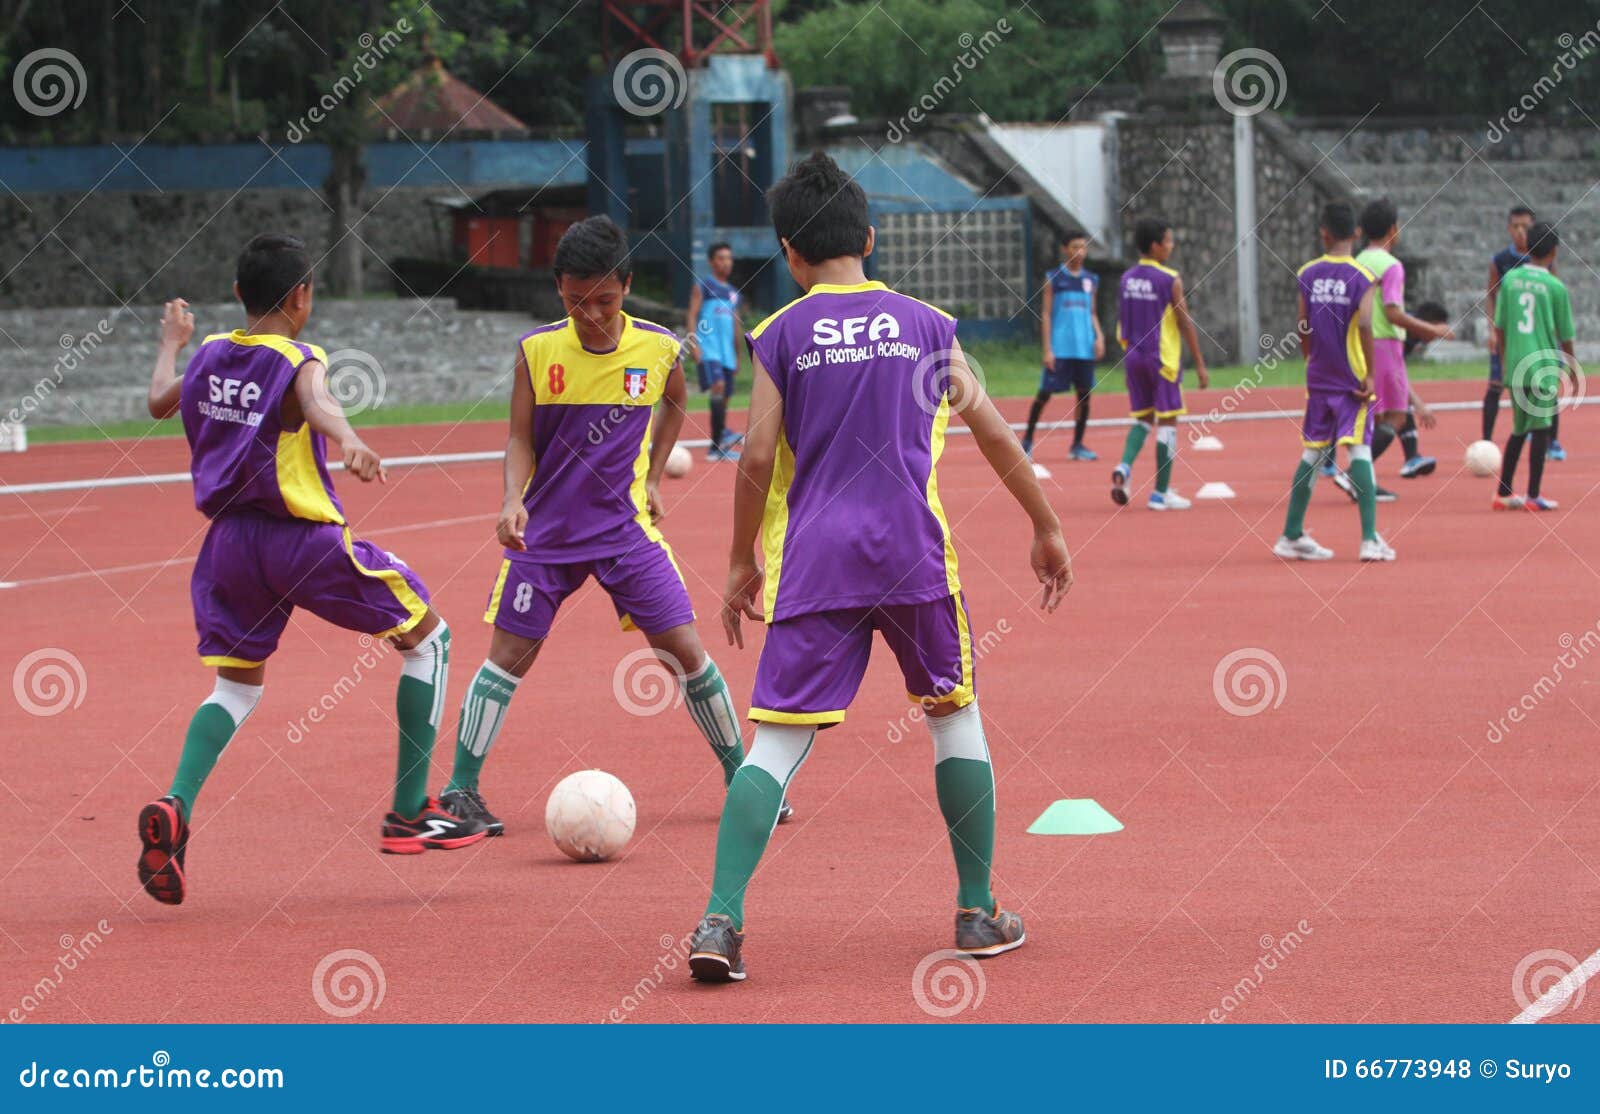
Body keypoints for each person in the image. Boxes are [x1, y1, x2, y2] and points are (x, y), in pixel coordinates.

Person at [682, 152, 1073, 983]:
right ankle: (975, 910)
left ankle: (720, 920)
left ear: (789, 253)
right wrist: (1044, 525)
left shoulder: (781, 332)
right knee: (952, 716)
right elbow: (997, 431)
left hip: (815, 561)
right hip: (913, 556)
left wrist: (739, 560)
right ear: (868, 235)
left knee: (775, 744)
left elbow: (755, 452)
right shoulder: (927, 325)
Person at [137, 234, 486, 905]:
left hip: (228, 549)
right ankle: (410, 812)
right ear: (302, 296)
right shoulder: (300, 356)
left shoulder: (209, 353)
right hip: (299, 542)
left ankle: (176, 806)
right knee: (429, 639)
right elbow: (317, 398)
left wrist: (170, 342)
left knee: (235, 691)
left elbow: (158, 401)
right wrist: (348, 438)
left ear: (240, 294)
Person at [438, 216, 788, 835]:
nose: (591, 314)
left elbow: (676, 401)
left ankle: (742, 776)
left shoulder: (657, 348)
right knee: (510, 655)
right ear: (558, 291)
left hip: (625, 531)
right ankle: (461, 792)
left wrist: (652, 476)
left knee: (684, 650)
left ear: (626, 287)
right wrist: (509, 500)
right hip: (544, 534)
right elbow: (519, 437)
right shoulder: (538, 352)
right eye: (576, 301)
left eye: (603, 300)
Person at [1273, 202, 1392, 563]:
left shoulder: (1307, 274)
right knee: (1359, 449)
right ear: (1356, 234)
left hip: (1318, 376)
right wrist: (1371, 374)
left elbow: (1302, 324)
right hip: (1350, 377)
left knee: (1313, 451)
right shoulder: (1362, 278)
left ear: (1323, 232)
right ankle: (1369, 538)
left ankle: (1291, 533)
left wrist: (1310, 357)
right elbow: (1368, 326)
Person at [1111, 217, 1209, 510]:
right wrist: (1200, 364)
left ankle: (1125, 467)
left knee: (1142, 418)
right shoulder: (1169, 279)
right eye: (1167, 241)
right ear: (1155, 246)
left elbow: (1123, 319)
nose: (1171, 246)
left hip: (1133, 357)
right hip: (1161, 359)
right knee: (1167, 421)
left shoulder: (1127, 278)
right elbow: (1185, 323)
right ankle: (1160, 493)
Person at [1354, 199, 1451, 484]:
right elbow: (1394, 313)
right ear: (1394, 230)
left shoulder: (1357, 261)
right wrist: (1429, 330)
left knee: (1376, 418)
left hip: (1358, 343)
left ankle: (1360, 476)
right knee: (1396, 416)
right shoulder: (1391, 266)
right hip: (1384, 344)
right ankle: (1354, 475)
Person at [1491, 222, 1577, 511]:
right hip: (1541, 365)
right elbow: (1565, 335)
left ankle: (1503, 492)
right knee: (1542, 427)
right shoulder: (1555, 286)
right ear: (1554, 252)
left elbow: (1500, 326)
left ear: (1526, 247)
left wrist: (1505, 361)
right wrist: (1573, 369)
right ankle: (1533, 494)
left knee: (1519, 428)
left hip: (1515, 363)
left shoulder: (1511, 280)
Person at [1484, 206, 1564, 458]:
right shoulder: (1500, 261)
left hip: (1538, 336)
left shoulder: (1546, 262)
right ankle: (1486, 441)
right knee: (1496, 384)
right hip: (1510, 335)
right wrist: (1492, 330)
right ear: (1509, 228)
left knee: (1547, 386)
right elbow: (1491, 296)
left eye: (1525, 227)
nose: (1520, 231)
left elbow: (1553, 295)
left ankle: (1551, 441)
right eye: (1515, 226)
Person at [1023, 229, 1104, 467]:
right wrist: (1048, 349)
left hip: (1084, 347)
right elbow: (1046, 314)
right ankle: (1026, 441)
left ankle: (1077, 444)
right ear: (1064, 249)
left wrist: (1098, 336)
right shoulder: (1054, 278)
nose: (1079, 252)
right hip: (1061, 347)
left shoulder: (1091, 280)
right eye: (1074, 247)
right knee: (1044, 394)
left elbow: (1092, 312)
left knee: (1084, 394)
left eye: (1083, 247)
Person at [686, 241, 744, 461]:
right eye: (721, 258)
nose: (726, 263)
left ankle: (720, 439)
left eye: (729, 258)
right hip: (709, 349)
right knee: (717, 386)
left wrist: (738, 355)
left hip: (727, 353)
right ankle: (716, 446)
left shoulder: (733, 293)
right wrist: (693, 345)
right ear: (711, 262)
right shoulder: (702, 286)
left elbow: (736, 325)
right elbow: (692, 315)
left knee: (726, 396)